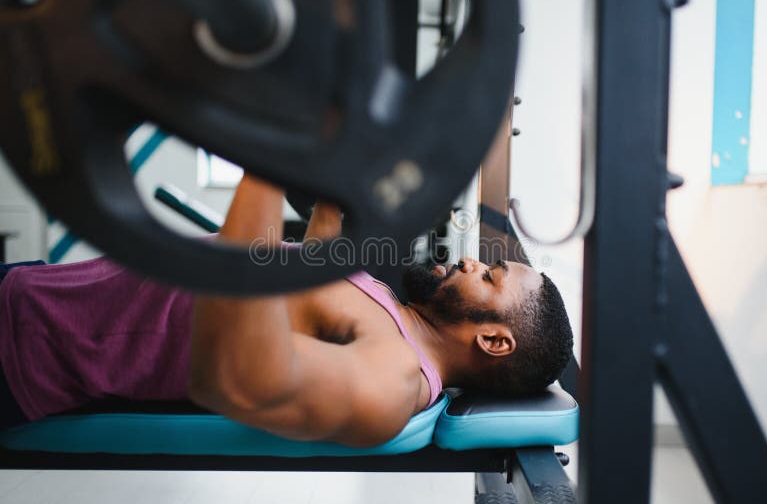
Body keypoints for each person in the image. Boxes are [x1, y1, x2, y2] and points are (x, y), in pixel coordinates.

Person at [0, 175, 573, 446]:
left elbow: (233, 376)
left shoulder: (393, 378)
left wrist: (265, 163)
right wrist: (332, 182)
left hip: (24, 352)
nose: (473, 264)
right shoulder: (396, 317)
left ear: (495, 341)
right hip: (32, 293)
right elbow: (300, 280)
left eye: (491, 278)